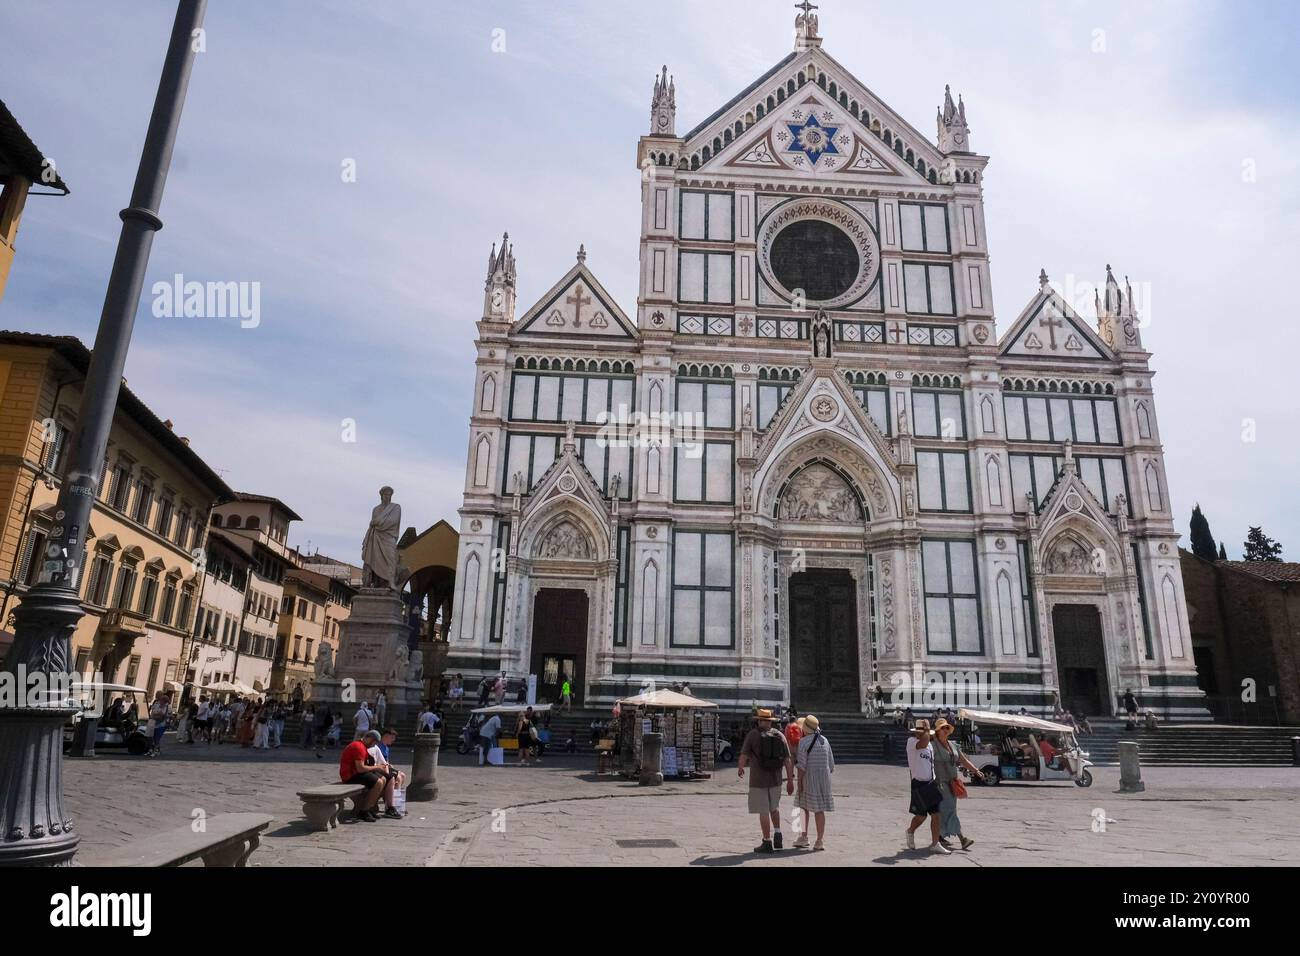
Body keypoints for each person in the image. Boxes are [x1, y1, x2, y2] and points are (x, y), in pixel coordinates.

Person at [738, 708, 794, 854]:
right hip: (776, 780)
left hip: (758, 780)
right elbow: (788, 760)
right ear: (770, 722)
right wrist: (790, 780)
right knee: (774, 808)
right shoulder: (780, 735)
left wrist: (741, 767)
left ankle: (767, 841)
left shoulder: (752, 735)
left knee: (763, 811)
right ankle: (778, 833)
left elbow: (744, 754)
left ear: (758, 720)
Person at [932, 719, 979, 851]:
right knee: (950, 810)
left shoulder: (953, 745)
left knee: (946, 810)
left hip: (953, 783)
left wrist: (975, 770)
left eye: (947, 727)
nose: (946, 730)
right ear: (938, 730)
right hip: (940, 784)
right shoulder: (932, 746)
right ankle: (962, 839)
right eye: (943, 728)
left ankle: (940, 835)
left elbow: (963, 760)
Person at [904, 719, 949, 855]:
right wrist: (927, 728)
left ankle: (935, 843)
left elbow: (930, 764)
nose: (929, 735)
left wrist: (935, 779)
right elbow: (922, 743)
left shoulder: (929, 745)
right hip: (918, 784)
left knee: (936, 814)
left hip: (930, 783)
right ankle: (910, 831)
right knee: (921, 816)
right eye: (926, 732)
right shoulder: (912, 742)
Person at [793, 715, 834, 851]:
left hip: (809, 779)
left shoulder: (803, 742)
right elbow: (831, 765)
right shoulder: (825, 741)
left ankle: (803, 837)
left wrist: (799, 784)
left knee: (802, 807)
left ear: (805, 729)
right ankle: (819, 840)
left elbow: (801, 766)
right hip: (824, 780)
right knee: (819, 810)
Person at [339, 731, 385, 822]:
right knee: (378, 783)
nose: (374, 745)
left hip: (356, 773)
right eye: (374, 743)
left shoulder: (362, 746)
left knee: (383, 779)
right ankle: (364, 811)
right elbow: (360, 768)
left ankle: (369, 807)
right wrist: (377, 767)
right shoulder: (358, 747)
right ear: (369, 738)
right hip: (350, 776)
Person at [369, 728, 407, 818]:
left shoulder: (386, 747)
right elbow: (379, 762)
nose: (393, 740)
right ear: (386, 736)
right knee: (397, 777)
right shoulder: (378, 746)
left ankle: (395, 804)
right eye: (392, 738)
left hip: (384, 768)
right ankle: (392, 806)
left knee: (402, 776)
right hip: (379, 769)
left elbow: (386, 761)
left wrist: (390, 765)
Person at [147, 691, 172, 756]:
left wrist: (159, 716)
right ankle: (151, 750)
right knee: (150, 737)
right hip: (152, 721)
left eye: (157, 694)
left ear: (161, 695)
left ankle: (156, 751)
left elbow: (167, 715)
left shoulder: (167, 705)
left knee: (156, 738)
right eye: (155, 694)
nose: (155, 695)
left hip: (161, 724)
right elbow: (153, 711)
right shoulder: (155, 702)